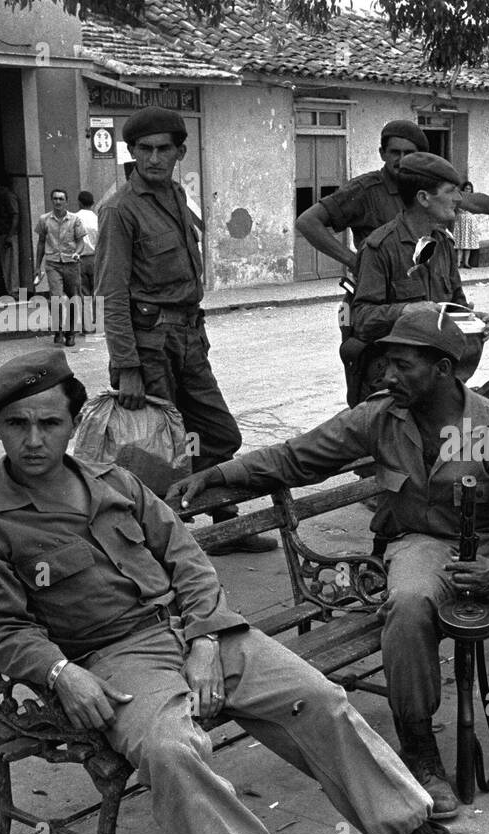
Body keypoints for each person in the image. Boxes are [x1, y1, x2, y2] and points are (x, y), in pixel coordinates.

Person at [0, 350, 473, 834]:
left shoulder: (116, 482)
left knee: (319, 700)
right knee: (174, 753)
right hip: (114, 661)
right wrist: (60, 673)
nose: (34, 440)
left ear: (72, 424)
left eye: (49, 423)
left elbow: (187, 560)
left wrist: (204, 640)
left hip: (201, 630)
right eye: (17, 424)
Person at [172, 308, 489, 823]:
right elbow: (295, 457)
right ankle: (419, 749)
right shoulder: (380, 417)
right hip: (422, 542)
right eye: (386, 364)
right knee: (408, 602)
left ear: (444, 368)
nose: (387, 376)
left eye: (403, 365)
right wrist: (218, 474)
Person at [97, 107, 275, 555]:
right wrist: (128, 366)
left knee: (218, 434)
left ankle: (223, 526)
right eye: (144, 150)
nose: (153, 158)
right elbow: (112, 295)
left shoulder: (177, 195)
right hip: (148, 344)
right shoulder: (119, 209)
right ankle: (161, 546)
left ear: (180, 152)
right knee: (159, 451)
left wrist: (197, 333)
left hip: (188, 337)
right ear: (133, 152)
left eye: (163, 149)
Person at [295, 119, 489, 271]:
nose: (400, 160)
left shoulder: (428, 187)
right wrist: (352, 261)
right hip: (377, 290)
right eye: (394, 153)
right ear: (382, 154)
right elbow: (308, 222)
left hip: (422, 283)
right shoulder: (364, 190)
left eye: (408, 153)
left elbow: (474, 201)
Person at [347, 151, 489, 408]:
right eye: (450, 191)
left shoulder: (444, 243)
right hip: (392, 382)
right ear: (423, 198)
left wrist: (473, 320)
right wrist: (408, 311)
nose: (459, 198)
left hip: (438, 378)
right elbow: (361, 319)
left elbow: (456, 303)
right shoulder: (380, 247)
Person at [34, 188, 84, 346]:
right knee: (56, 298)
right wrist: (37, 266)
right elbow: (41, 243)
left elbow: (81, 241)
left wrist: (77, 253)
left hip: (71, 264)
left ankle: (70, 333)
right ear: (52, 200)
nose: (58, 202)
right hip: (53, 263)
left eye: (61, 199)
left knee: (72, 298)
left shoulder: (74, 219)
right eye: (55, 198)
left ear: (66, 201)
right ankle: (58, 330)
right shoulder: (44, 220)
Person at [0, 177, 21, 297]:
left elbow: (15, 215)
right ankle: (11, 289)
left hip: (7, 233)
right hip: (4, 232)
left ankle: (13, 290)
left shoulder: (8, 196)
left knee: (10, 263)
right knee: (7, 263)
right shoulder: (5, 196)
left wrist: (10, 235)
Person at [75, 190, 99, 315]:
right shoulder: (97, 219)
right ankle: (98, 320)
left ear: (79, 203)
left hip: (79, 259)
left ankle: (87, 322)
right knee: (97, 291)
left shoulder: (74, 219)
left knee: (83, 293)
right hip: (96, 258)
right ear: (93, 203)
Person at [454, 181, 479, 268]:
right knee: (460, 242)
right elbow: (455, 208)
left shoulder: (473, 199)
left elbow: (476, 209)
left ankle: (466, 263)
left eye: (469, 189)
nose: (467, 190)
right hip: (460, 221)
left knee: (467, 242)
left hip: (469, 222)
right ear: (463, 189)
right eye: (466, 188)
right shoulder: (459, 198)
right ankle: (458, 263)